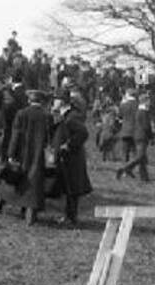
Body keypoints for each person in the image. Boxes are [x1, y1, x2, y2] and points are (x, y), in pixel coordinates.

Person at [8, 88, 51, 224]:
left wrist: (11, 154)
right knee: (34, 183)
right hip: (38, 154)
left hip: (22, 152)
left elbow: (15, 135)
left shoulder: (21, 113)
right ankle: (30, 213)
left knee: (14, 179)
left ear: (29, 100)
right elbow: (49, 138)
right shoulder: (46, 116)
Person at [52, 91, 93, 229]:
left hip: (72, 159)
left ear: (62, 102)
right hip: (69, 158)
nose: (54, 103)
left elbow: (83, 133)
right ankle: (68, 216)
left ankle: (71, 217)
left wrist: (68, 144)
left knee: (71, 190)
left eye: (56, 100)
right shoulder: (67, 115)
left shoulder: (71, 118)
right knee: (69, 189)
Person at [114, 96, 153, 182]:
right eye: (149, 101)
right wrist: (151, 136)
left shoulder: (140, 111)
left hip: (138, 135)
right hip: (141, 136)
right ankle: (124, 168)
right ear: (145, 102)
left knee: (142, 158)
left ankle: (144, 177)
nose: (150, 103)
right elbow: (146, 126)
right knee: (139, 157)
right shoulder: (143, 112)